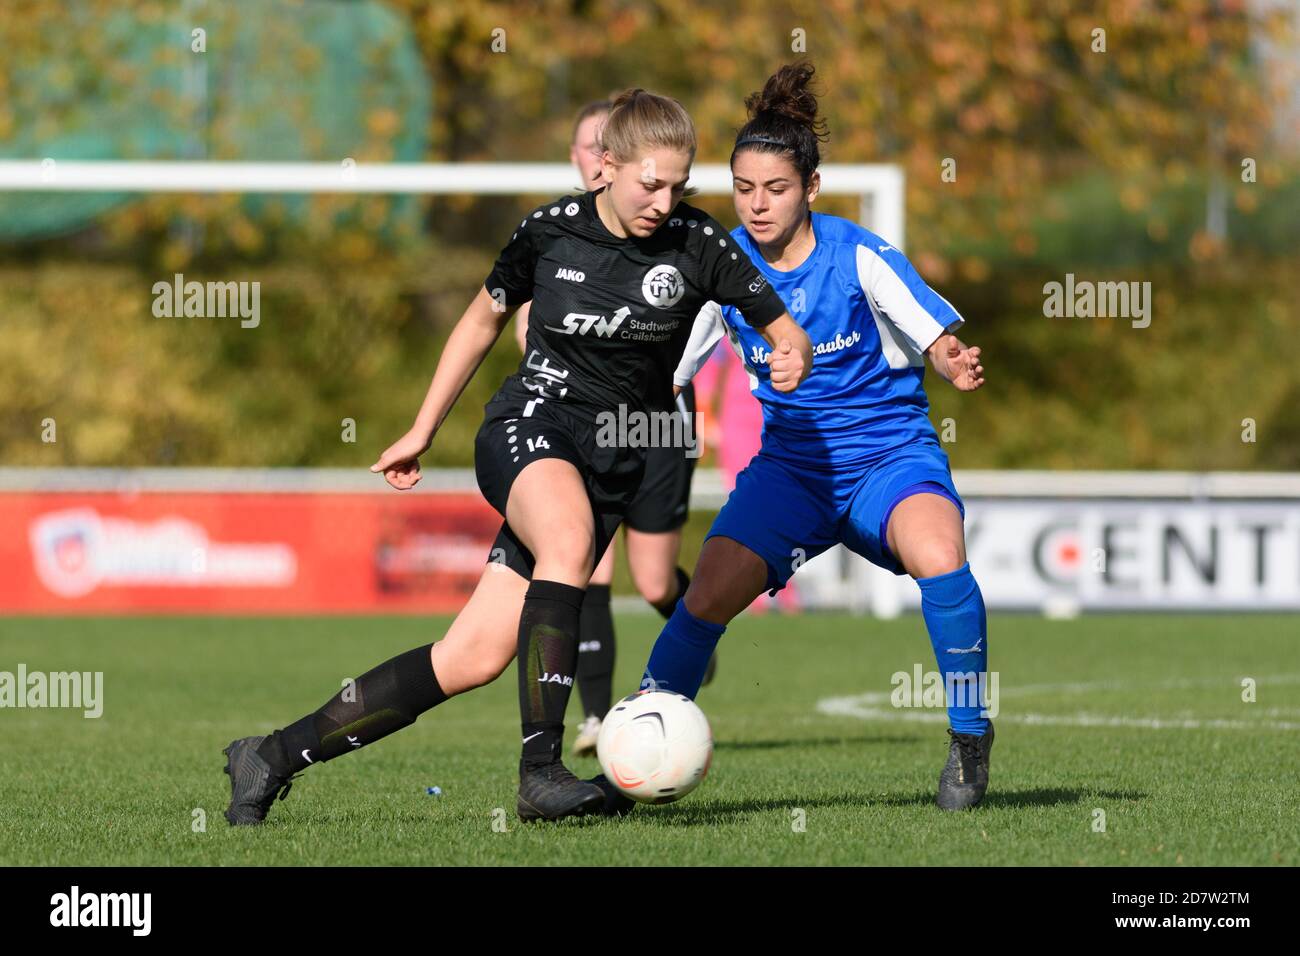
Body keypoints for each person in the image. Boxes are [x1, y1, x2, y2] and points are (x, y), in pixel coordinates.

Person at [222, 87, 811, 825]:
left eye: (679, 185)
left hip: (614, 464)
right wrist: (421, 427)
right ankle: (541, 773)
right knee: (567, 544)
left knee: (468, 658)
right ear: (606, 165)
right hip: (529, 425)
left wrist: (792, 358)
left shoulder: (701, 245)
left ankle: (270, 756)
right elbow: (479, 321)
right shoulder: (548, 231)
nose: (664, 200)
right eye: (649, 182)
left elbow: (787, 332)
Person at [643, 62, 993, 811]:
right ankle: (642, 735)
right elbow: (669, 370)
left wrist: (950, 357)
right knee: (704, 595)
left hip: (887, 457)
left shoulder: (857, 253)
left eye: (775, 189)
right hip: (791, 473)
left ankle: (969, 739)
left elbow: (931, 327)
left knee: (941, 556)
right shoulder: (722, 266)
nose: (758, 204)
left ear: (811, 187)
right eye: (744, 189)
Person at [513, 99, 717, 757]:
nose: (590, 153)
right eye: (583, 144)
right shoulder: (558, 234)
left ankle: (694, 635)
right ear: (586, 160)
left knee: (655, 581)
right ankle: (597, 716)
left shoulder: (678, 235)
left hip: (660, 422)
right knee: (585, 561)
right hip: (583, 424)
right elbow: (520, 321)